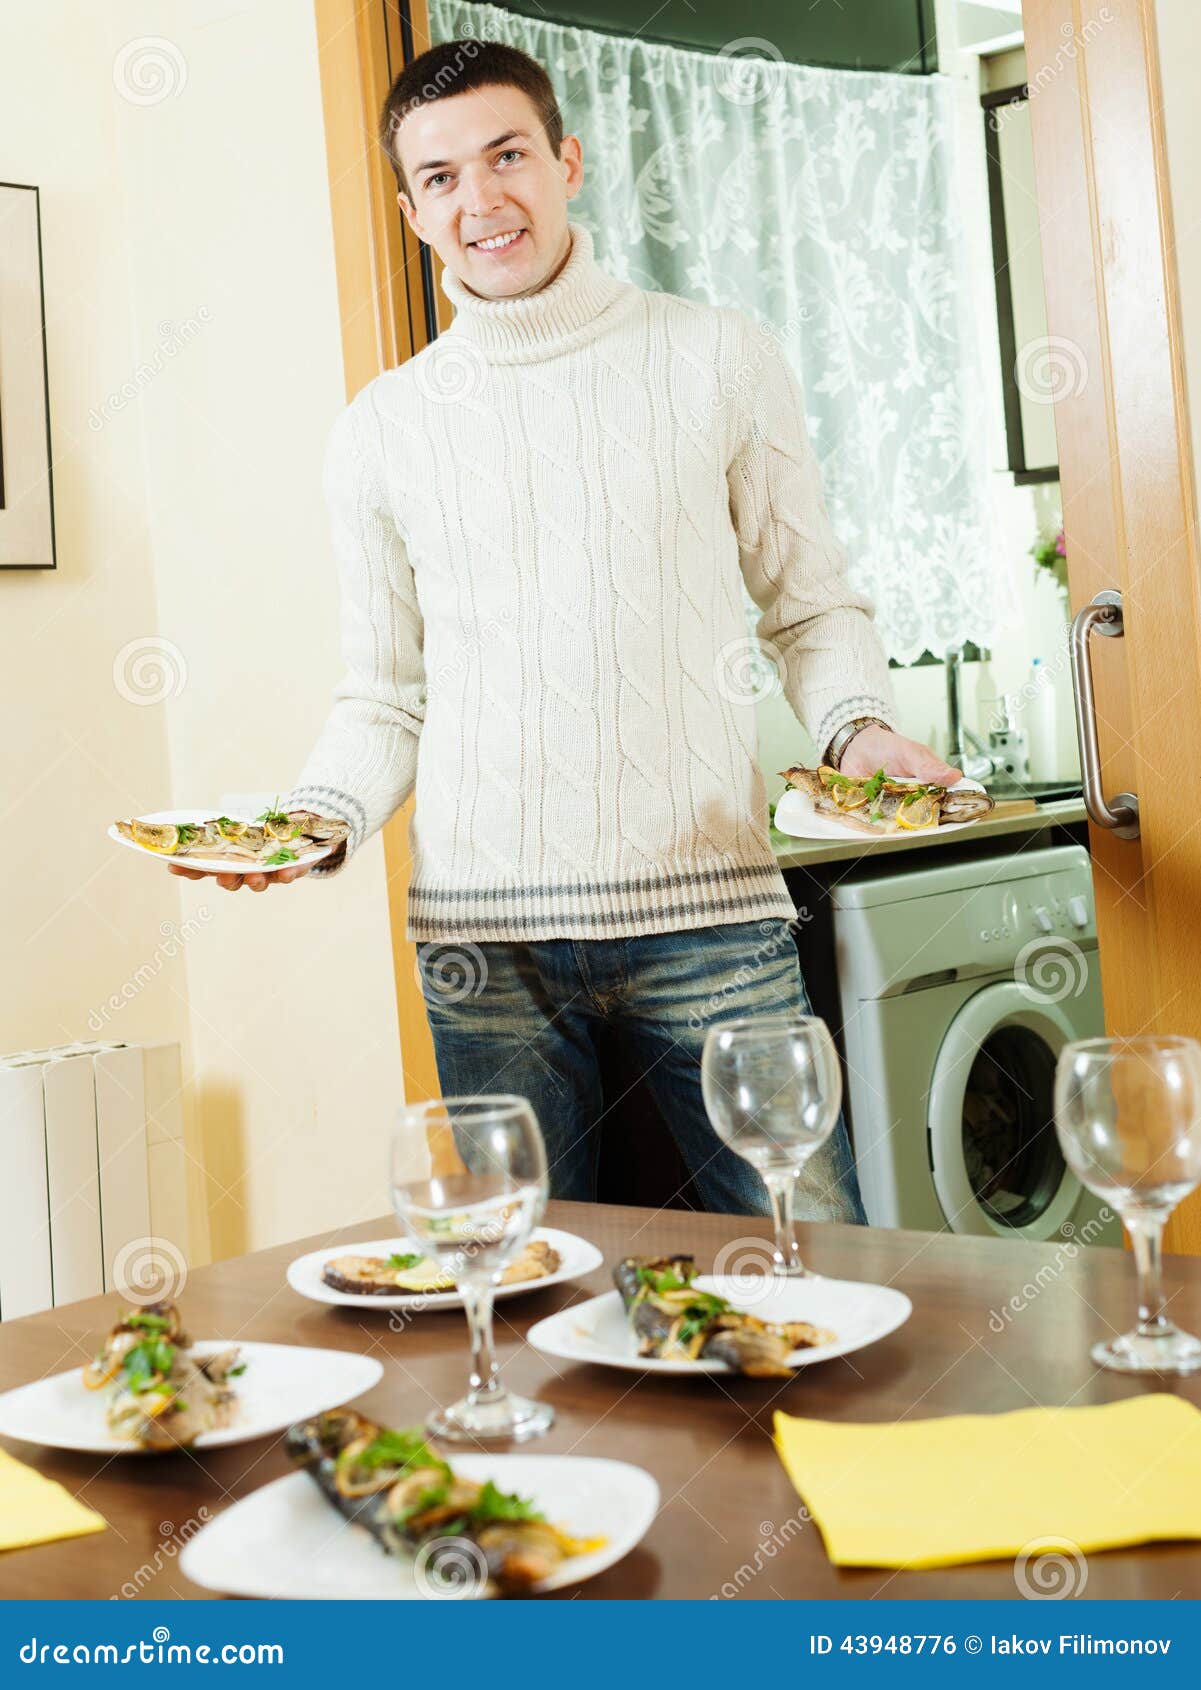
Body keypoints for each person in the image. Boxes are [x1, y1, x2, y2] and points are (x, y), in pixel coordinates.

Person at [171, 39, 959, 1222]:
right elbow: (384, 695)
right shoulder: (381, 432)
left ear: (567, 160)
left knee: (816, 1253)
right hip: (486, 950)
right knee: (518, 1284)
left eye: (506, 156)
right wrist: (314, 821)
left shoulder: (718, 357)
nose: (480, 199)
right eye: (440, 178)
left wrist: (857, 732)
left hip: (711, 914)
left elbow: (810, 603)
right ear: (412, 208)